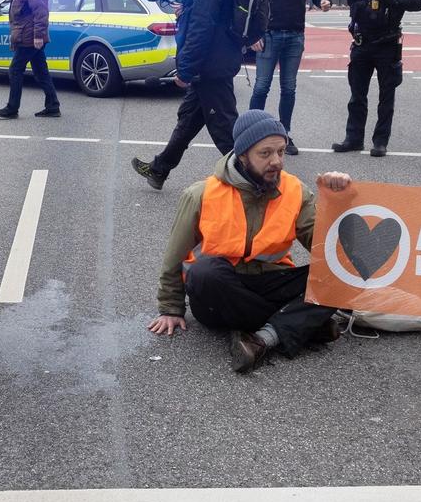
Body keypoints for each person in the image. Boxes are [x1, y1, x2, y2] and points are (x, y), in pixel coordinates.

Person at [147, 110, 352, 372]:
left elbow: (327, 249)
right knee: (203, 272)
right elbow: (175, 255)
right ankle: (297, 325)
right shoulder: (201, 193)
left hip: (270, 281)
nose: (276, 161)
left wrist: (337, 205)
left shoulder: (295, 191)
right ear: (243, 155)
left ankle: (264, 338)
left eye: (280, 151)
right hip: (219, 293)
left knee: (339, 276)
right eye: (265, 153)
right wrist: (171, 308)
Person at [131, 0, 242, 190]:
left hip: (210, 66)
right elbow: (207, 13)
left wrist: (186, 69)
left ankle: (256, 185)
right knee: (188, 120)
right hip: (215, 59)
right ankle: (159, 168)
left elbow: (203, 25)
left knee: (226, 132)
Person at [333, 0, 421, 158]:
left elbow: (419, 1)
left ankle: (380, 142)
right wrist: (354, 0)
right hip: (362, 42)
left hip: (386, 43)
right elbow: (364, 0)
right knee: (357, 95)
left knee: (386, 96)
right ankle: (353, 138)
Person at [249, 0, 331, 155]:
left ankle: (283, 135)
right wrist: (253, 34)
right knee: (261, 87)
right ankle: (252, 133)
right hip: (269, 35)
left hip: (295, 35)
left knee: (289, 88)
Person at [0, 0, 60, 119]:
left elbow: (41, 11)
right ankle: (53, 106)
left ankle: (12, 108)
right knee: (40, 71)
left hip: (30, 37)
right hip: (27, 34)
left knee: (15, 70)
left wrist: (38, 35)